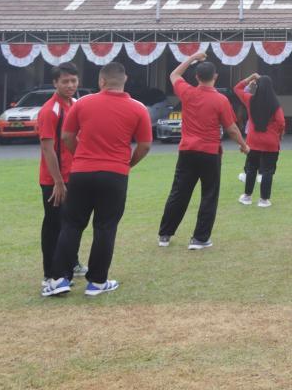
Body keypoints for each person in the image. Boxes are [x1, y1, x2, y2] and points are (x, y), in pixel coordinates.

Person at [41, 62, 152, 297]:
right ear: (125, 80)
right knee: (105, 227)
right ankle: (97, 282)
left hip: (81, 171)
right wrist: (128, 163)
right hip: (115, 174)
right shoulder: (139, 108)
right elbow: (145, 145)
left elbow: (67, 136)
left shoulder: (83, 104)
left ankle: (59, 278)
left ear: (101, 81)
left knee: (71, 225)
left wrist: (81, 154)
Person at [158, 51, 248, 250]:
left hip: (187, 150)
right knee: (209, 194)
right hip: (209, 152)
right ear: (215, 77)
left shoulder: (187, 92)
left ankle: (165, 234)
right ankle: (199, 238)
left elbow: (174, 75)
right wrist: (243, 145)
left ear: (197, 77)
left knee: (179, 193)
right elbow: (232, 129)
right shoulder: (221, 100)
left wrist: (193, 58)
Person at [36, 62, 84, 291]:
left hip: (73, 175)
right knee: (54, 225)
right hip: (54, 180)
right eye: (65, 81)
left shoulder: (75, 104)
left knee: (72, 223)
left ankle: (71, 263)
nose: (70, 85)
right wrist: (57, 181)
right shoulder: (49, 110)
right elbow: (47, 148)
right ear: (55, 83)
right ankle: (49, 274)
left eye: (73, 81)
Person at [234, 73, 287, 208]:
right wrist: (278, 133)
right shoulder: (275, 104)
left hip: (253, 141)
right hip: (270, 143)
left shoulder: (250, 100)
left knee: (251, 169)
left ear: (257, 86)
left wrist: (250, 78)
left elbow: (237, 88)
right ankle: (264, 200)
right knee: (268, 171)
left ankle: (247, 196)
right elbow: (281, 122)